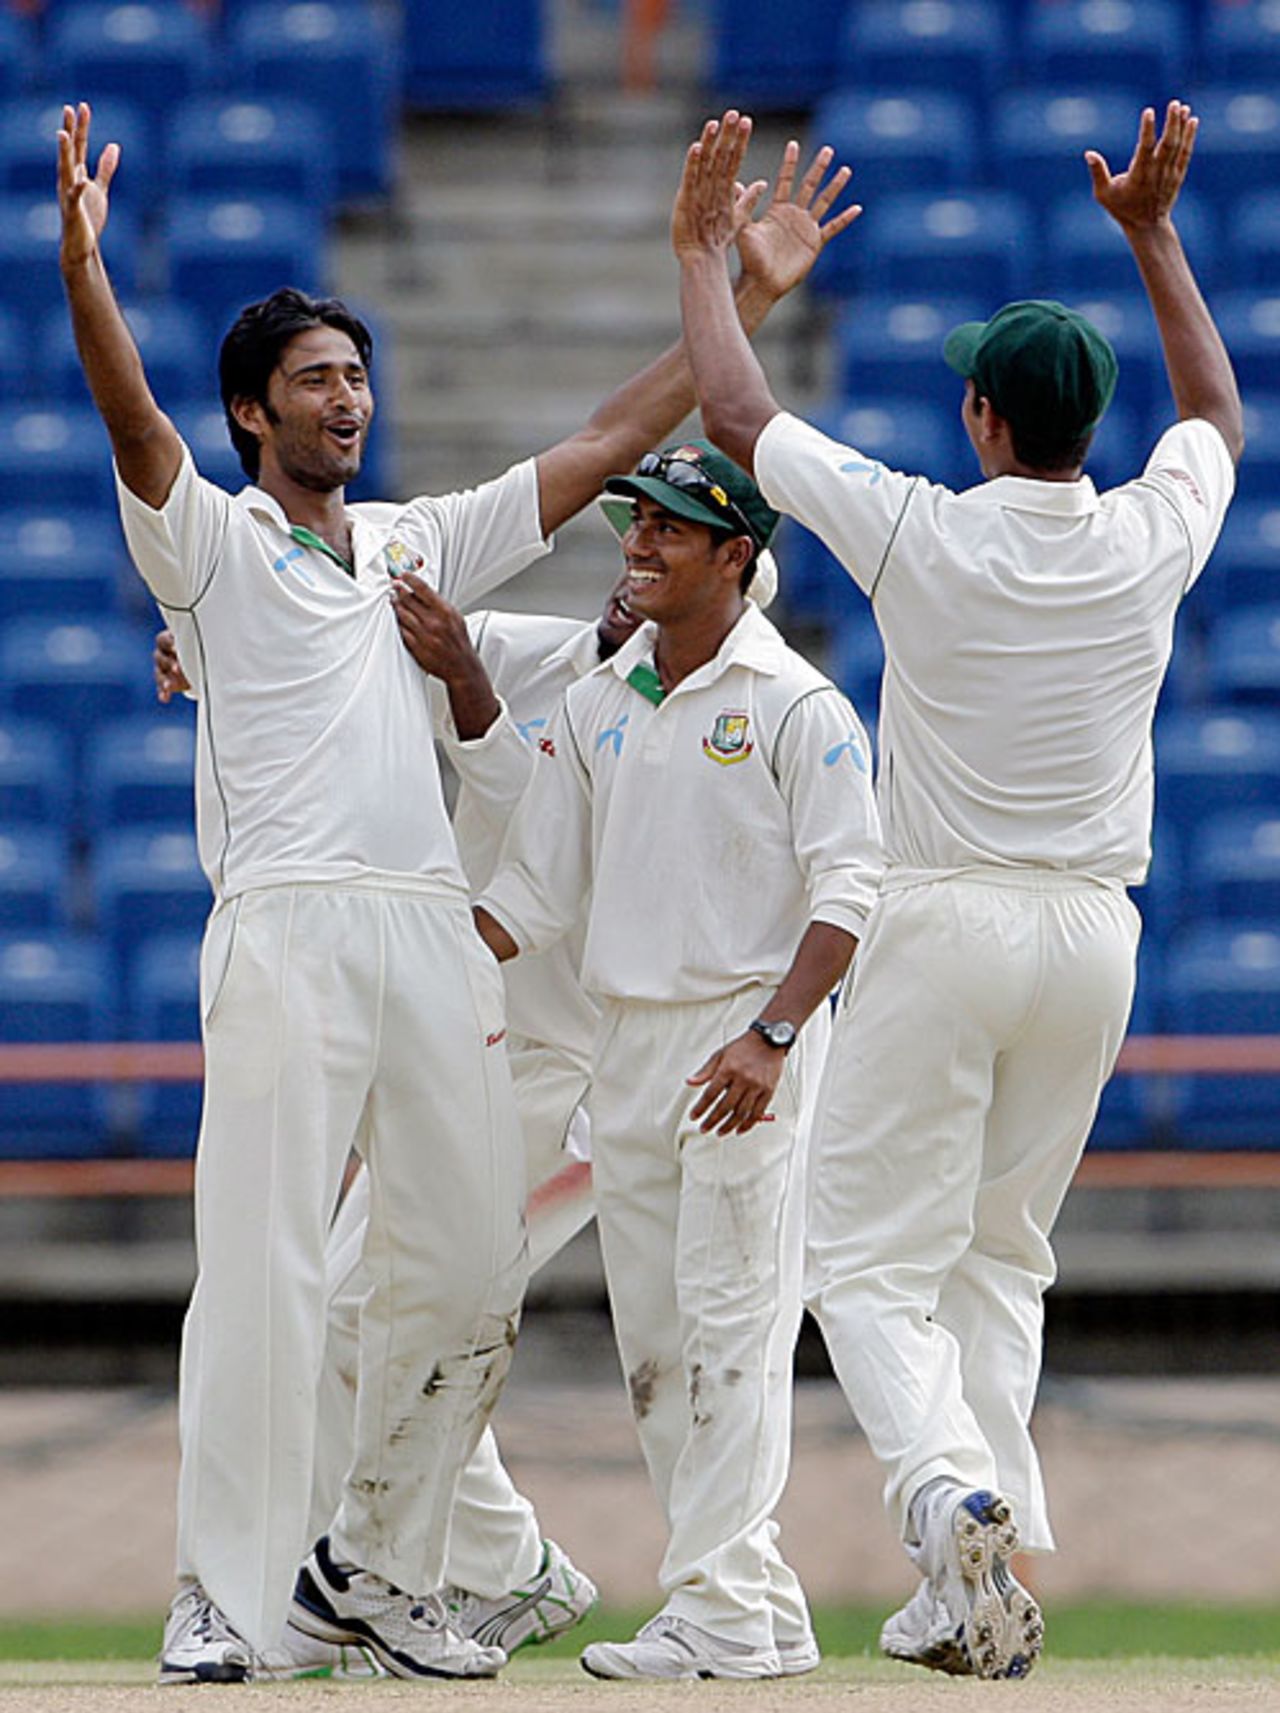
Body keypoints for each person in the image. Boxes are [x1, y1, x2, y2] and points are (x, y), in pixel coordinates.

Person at [57, 99, 853, 1684]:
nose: (346, 402)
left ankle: (396, 1575)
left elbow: (602, 450)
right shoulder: (210, 548)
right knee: (272, 1265)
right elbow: (134, 429)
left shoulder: (415, 546)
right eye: (314, 384)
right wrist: (83, 270)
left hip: (430, 935)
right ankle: (223, 1590)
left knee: (459, 1265)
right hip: (286, 918)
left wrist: (741, 298)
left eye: (356, 378)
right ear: (251, 414)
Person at [672, 104, 1242, 1679]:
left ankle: (943, 1501)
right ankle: (974, 1569)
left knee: (859, 1265)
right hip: (1096, 942)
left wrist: (700, 259)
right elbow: (1219, 409)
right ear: (1085, 427)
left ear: (985, 419)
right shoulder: (1147, 533)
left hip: (943, 921)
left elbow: (730, 410)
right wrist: (1154, 234)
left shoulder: (922, 529)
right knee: (1000, 1255)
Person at [474, 442, 884, 1679]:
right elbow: (531, 895)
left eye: (666, 527)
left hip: (740, 1048)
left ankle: (711, 1604)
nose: (637, 546)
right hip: (628, 1051)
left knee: (733, 1328)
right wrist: (407, 965)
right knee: (656, 1345)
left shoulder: (794, 702)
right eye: (632, 524)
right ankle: (752, 1605)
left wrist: (771, 1033)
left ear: (734, 556)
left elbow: (852, 882)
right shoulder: (597, 704)